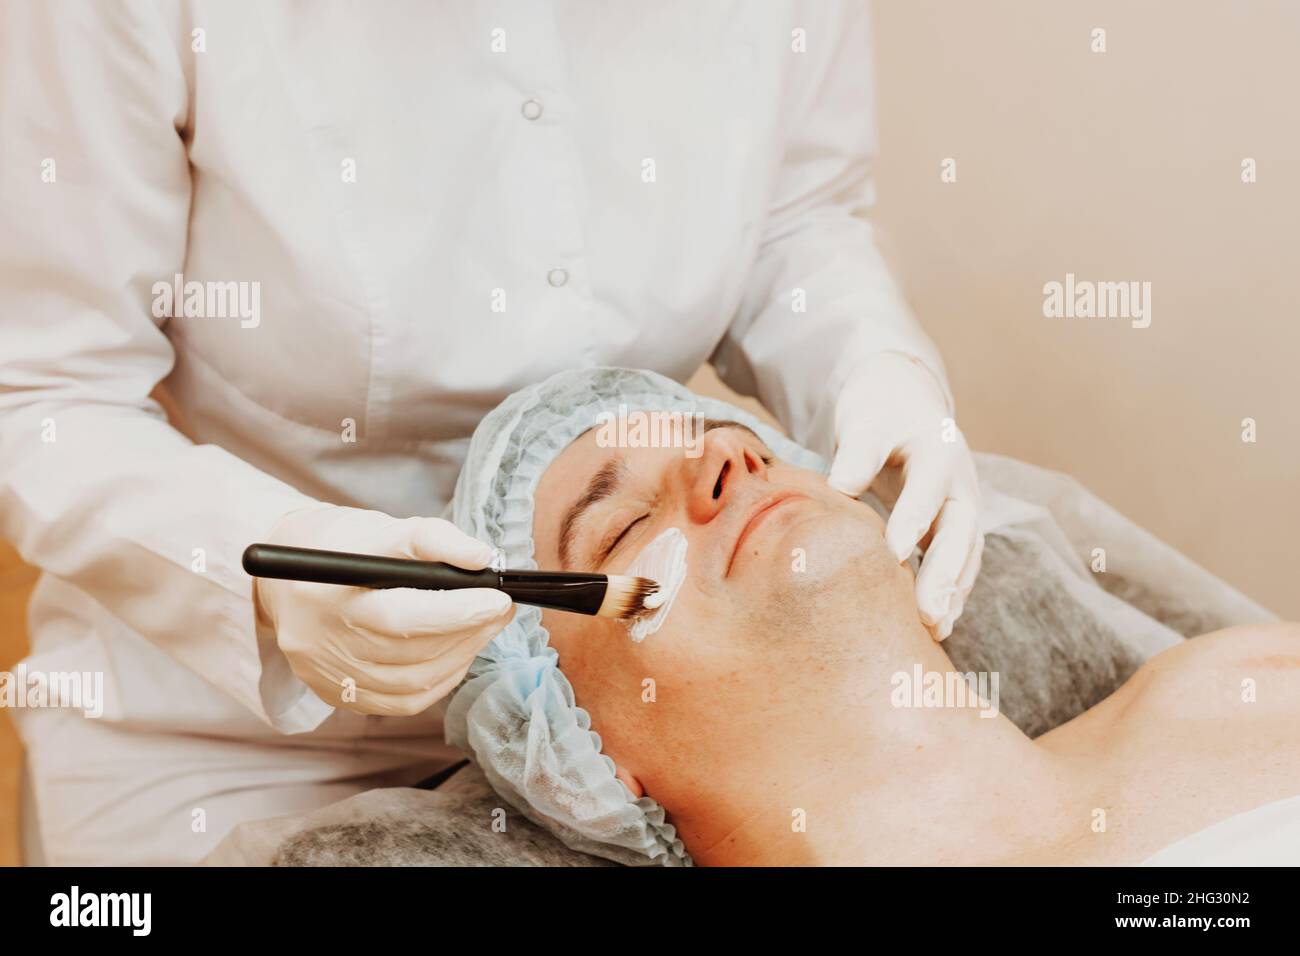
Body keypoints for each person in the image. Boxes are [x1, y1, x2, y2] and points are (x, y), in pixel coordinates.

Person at [0, 2, 981, 864]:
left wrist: (872, 366)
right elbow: (40, 392)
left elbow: (794, 219)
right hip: (225, 731)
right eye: (613, 529)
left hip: (643, 715)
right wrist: (258, 578)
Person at [445, 367, 1300, 866]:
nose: (725, 454)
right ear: (579, 759)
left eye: (754, 446)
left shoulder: (1238, 687)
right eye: (624, 525)